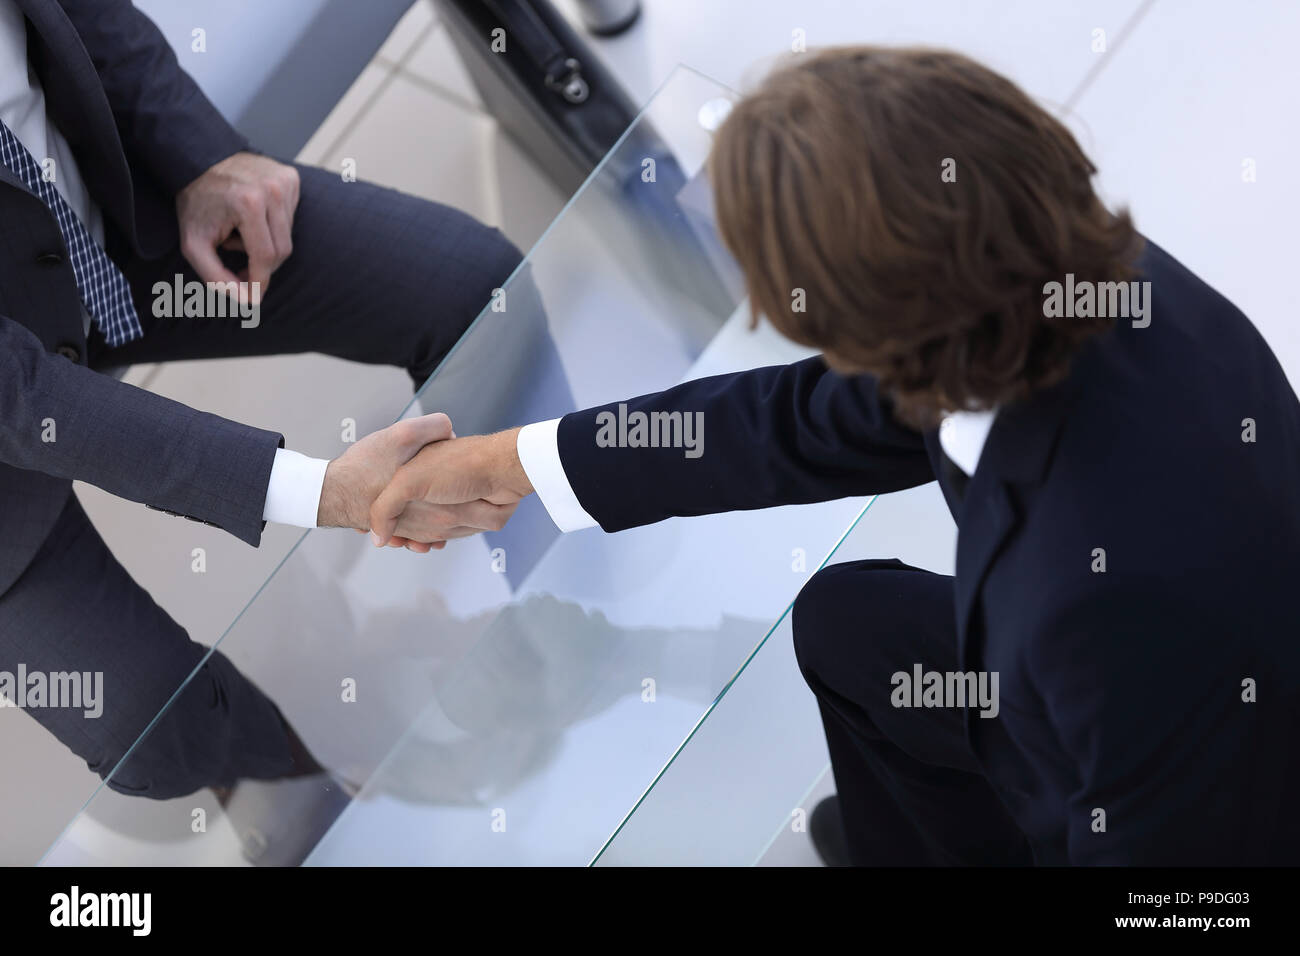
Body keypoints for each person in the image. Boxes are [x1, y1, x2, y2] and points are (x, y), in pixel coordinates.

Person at [362, 46, 1300, 865]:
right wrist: (516, 464)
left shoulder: (1096, 604)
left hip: (1185, 814)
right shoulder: (1062, 275)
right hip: (1117, 709)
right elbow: (795, 424)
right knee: (849, 626)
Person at [0, 0, 517, 861]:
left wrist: (205, 156)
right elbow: (20, 396)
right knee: (146, 726)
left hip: (105, 235)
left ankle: (549, 571)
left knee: (475, 288)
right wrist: (318, 491)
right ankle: (296, 775)